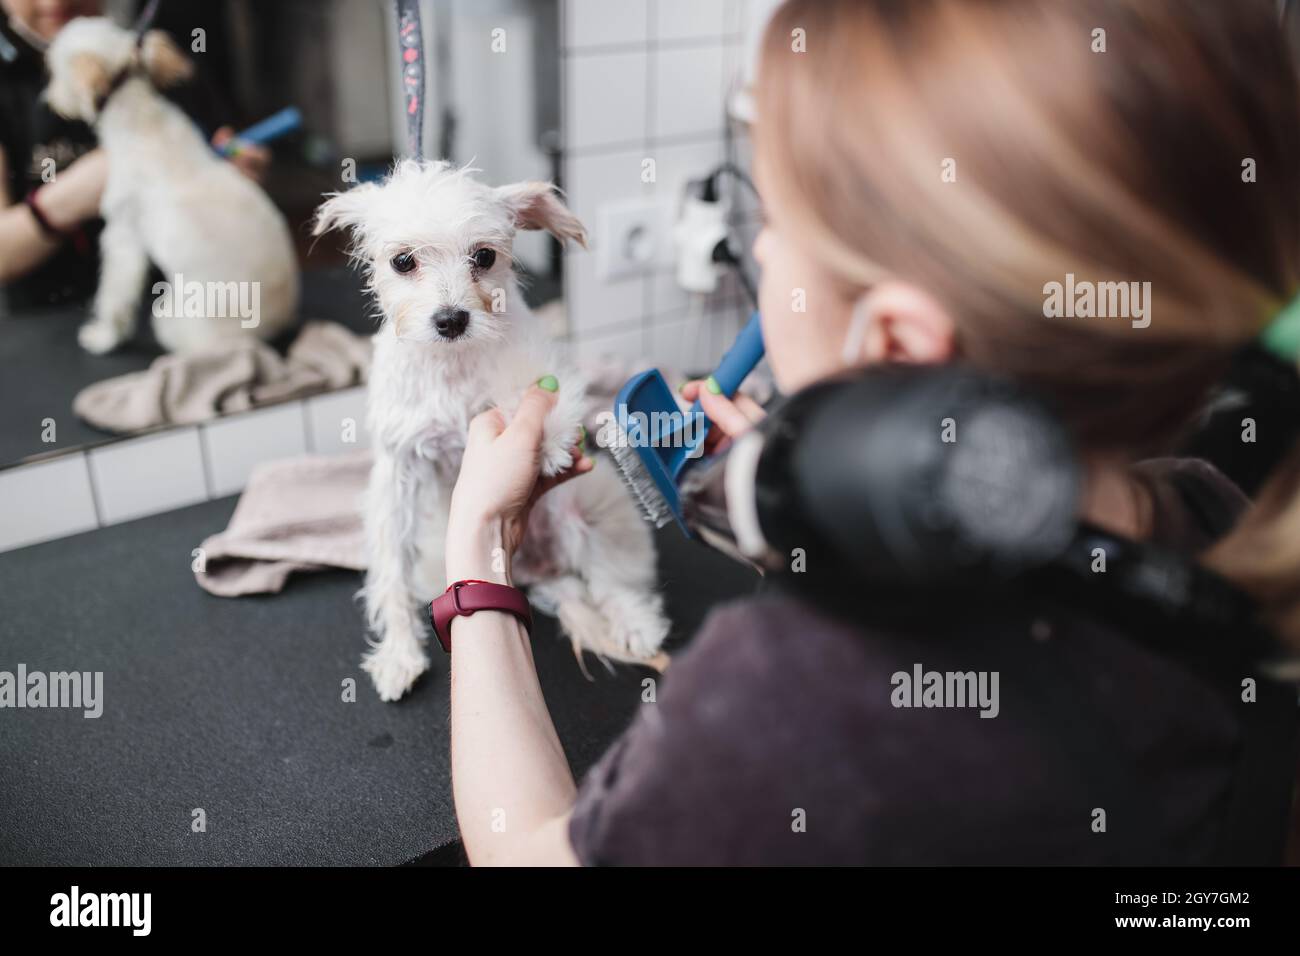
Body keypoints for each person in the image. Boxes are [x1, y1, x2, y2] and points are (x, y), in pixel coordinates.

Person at [439, 0, 1300, 865]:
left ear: (892, 340)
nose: (765, 254)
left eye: (776, 221)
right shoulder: (1219, 516)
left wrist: (478, 551)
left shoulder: (793, 702)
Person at [0, 0, 268, 307]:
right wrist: (76, 193)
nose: (54, 1)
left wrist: (237, 182)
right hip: (45, 321)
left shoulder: (164, 58)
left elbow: (224, 158)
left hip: (185, 299)